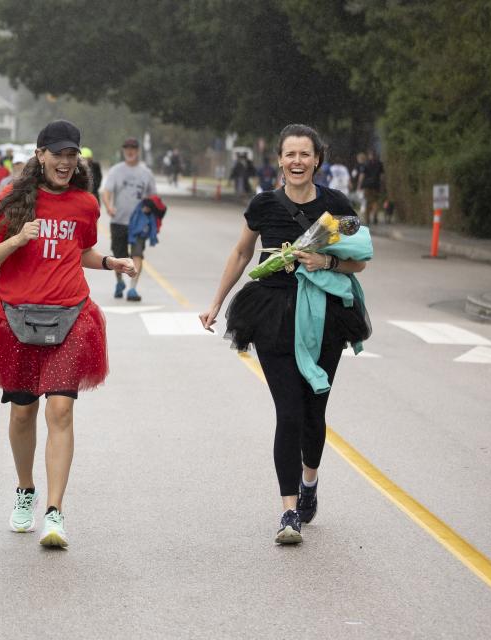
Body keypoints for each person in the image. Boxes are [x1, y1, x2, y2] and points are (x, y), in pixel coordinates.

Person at [0, 119, 136, 548]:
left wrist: (109, 262)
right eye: (56, 153)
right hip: (16, 318)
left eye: (70, 154)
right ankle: (26, 490)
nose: (64, 161)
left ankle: (55, 512)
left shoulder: (84, 203)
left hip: (70, 315)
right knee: (23, 412)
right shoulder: (10, 199)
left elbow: (80, 251)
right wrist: (18, 239)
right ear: (39, 155)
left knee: (60, 411)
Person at [199, 124, 372, 546]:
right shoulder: (263, 204)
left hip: (326, 317)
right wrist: (216, 302)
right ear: (279, 159)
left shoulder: (336, 206)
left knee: (314, 413)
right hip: (273, 314)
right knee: (289, 414)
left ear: (317, 160)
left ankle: (310, 480)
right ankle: (288, 511)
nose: (297, 161)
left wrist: (324, 263)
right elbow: (242, 252)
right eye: (290, 154)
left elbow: (360, 260)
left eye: (305, 154)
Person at [101, 137, 157, 302]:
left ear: (138, 151)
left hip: (139, 223)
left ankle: (132, 288)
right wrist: (108, 206)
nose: (130, 151)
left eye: (133, 148)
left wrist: (150, 206)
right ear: (123, 150)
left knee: (137, 254)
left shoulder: (146, 173)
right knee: (119, 256)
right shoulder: (116, 171)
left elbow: (154, 196)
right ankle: (119, 282)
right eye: (127, 148)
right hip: (118, 220)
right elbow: (107, 192)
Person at [357, 149, 384, 224]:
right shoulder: (380, 164)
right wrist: (381, 185)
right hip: (376, 185)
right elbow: (382, 176)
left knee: (368, 202)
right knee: (375, 202)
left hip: (367, 186)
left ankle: (367, 220)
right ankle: (375, 216)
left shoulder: (366, 164)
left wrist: (359, 185)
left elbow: (362, 175)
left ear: (369, 156)